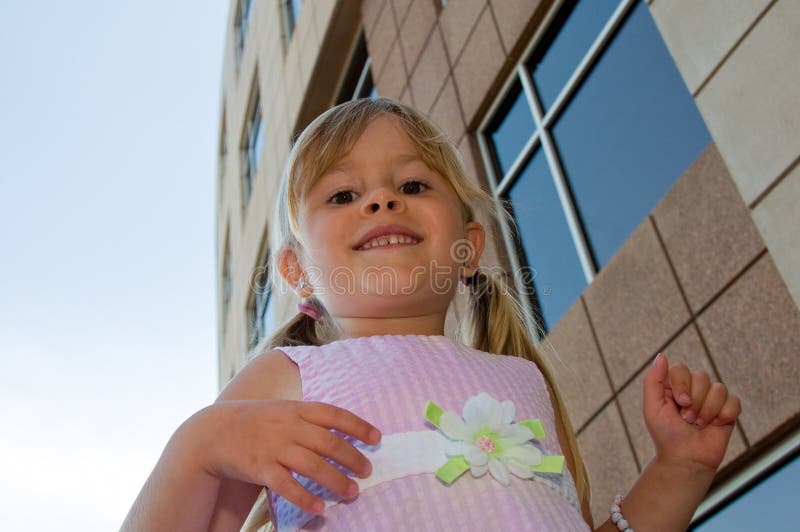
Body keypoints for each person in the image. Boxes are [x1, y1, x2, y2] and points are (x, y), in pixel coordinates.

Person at [122, 98, 742, 531]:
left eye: (414, 186)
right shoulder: (290, 377)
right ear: (297, 271)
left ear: (469, 247)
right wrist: (197, 446)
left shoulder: (520, 381)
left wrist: (679, 469)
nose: (382, 199)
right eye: (343, 195)